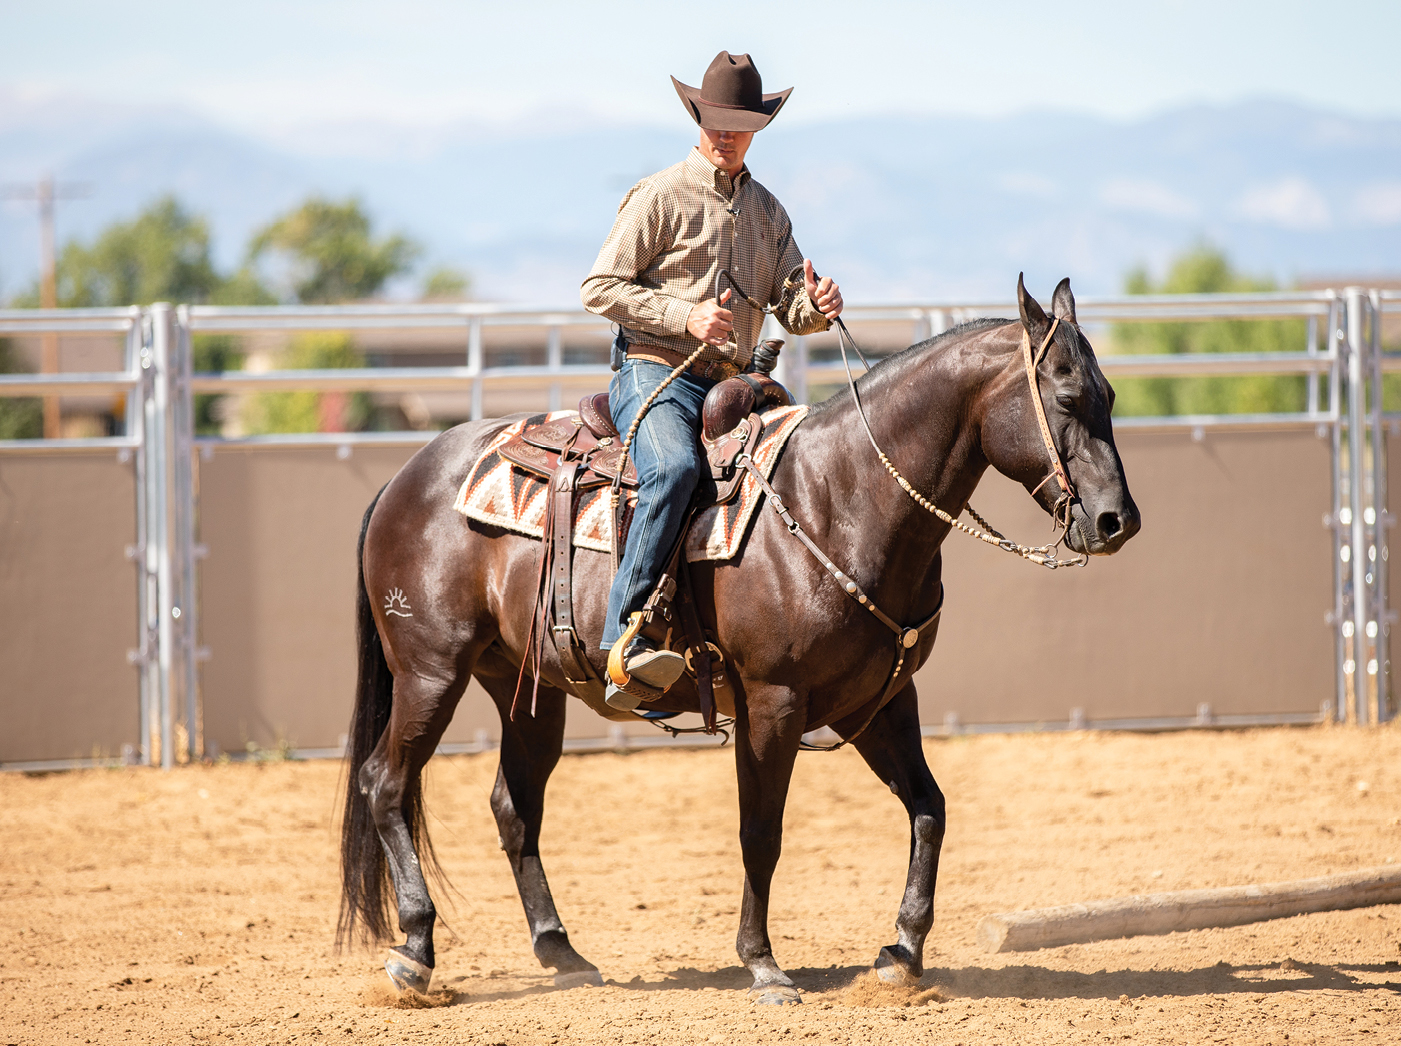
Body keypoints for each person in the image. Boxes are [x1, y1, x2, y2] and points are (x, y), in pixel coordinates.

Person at [581, 51, 844, 709]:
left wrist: (817, 307)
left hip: (733, 386)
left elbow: (791, 304)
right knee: (671, 470)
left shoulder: (767, 212)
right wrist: (684, 313)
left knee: (800, 474)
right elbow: (597, 288)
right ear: (697, 116)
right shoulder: (658, 195)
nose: (725, 133)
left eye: (738, 123)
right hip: (654, 373)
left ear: (756, 127)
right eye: (715, 120)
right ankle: (626, 639)